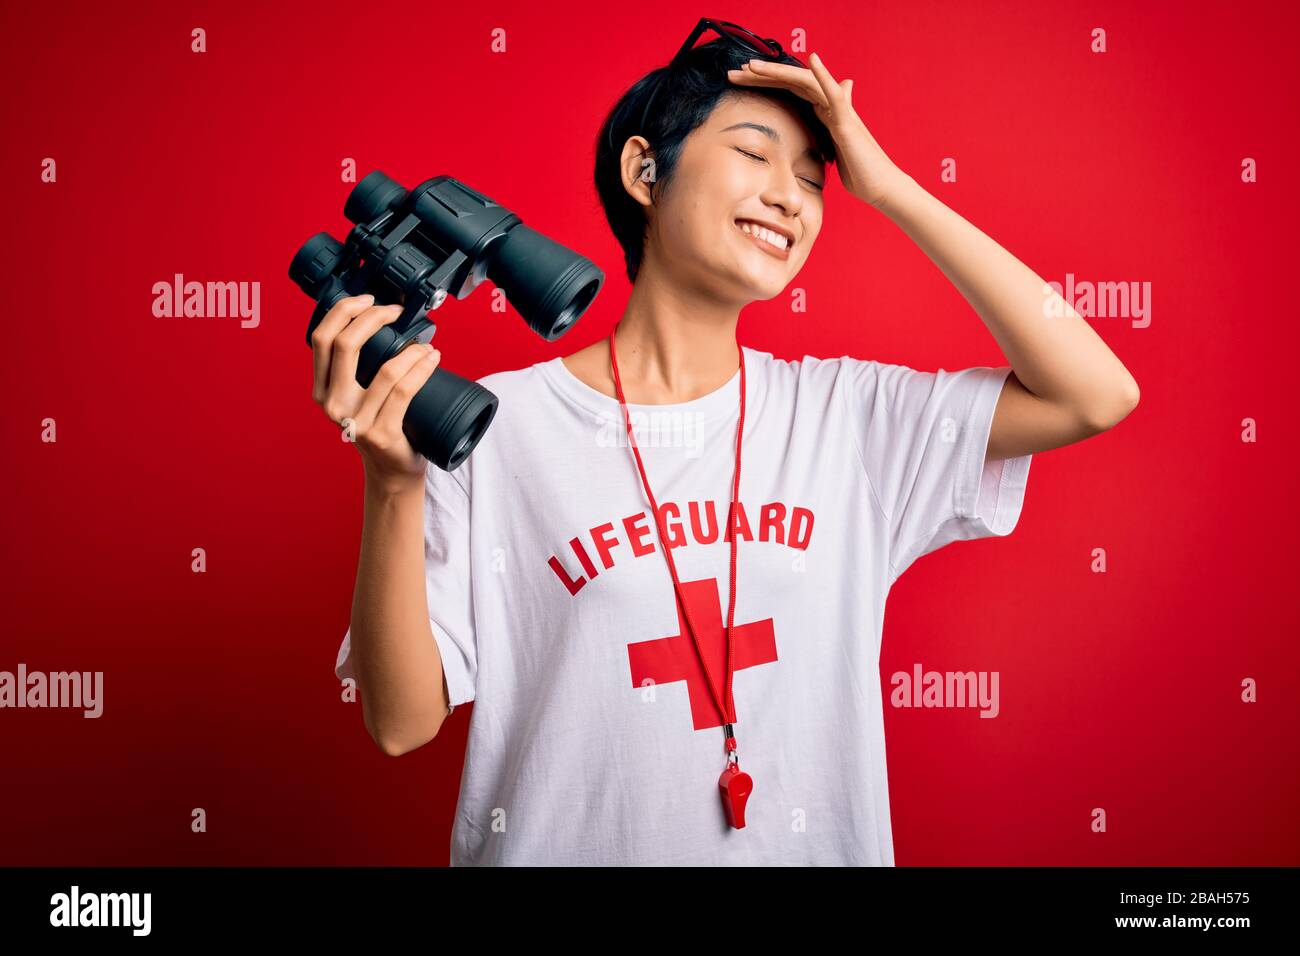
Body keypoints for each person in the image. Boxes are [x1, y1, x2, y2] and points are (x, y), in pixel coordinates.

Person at [310, 22, 1139, 866]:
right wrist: (392, 483)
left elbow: (1095, 393)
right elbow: (402, 721)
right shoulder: (492, 427)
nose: (791, 197)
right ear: (645, 171)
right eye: (754, 154)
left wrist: (890, 188)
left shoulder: (846, 416)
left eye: (815, 180)